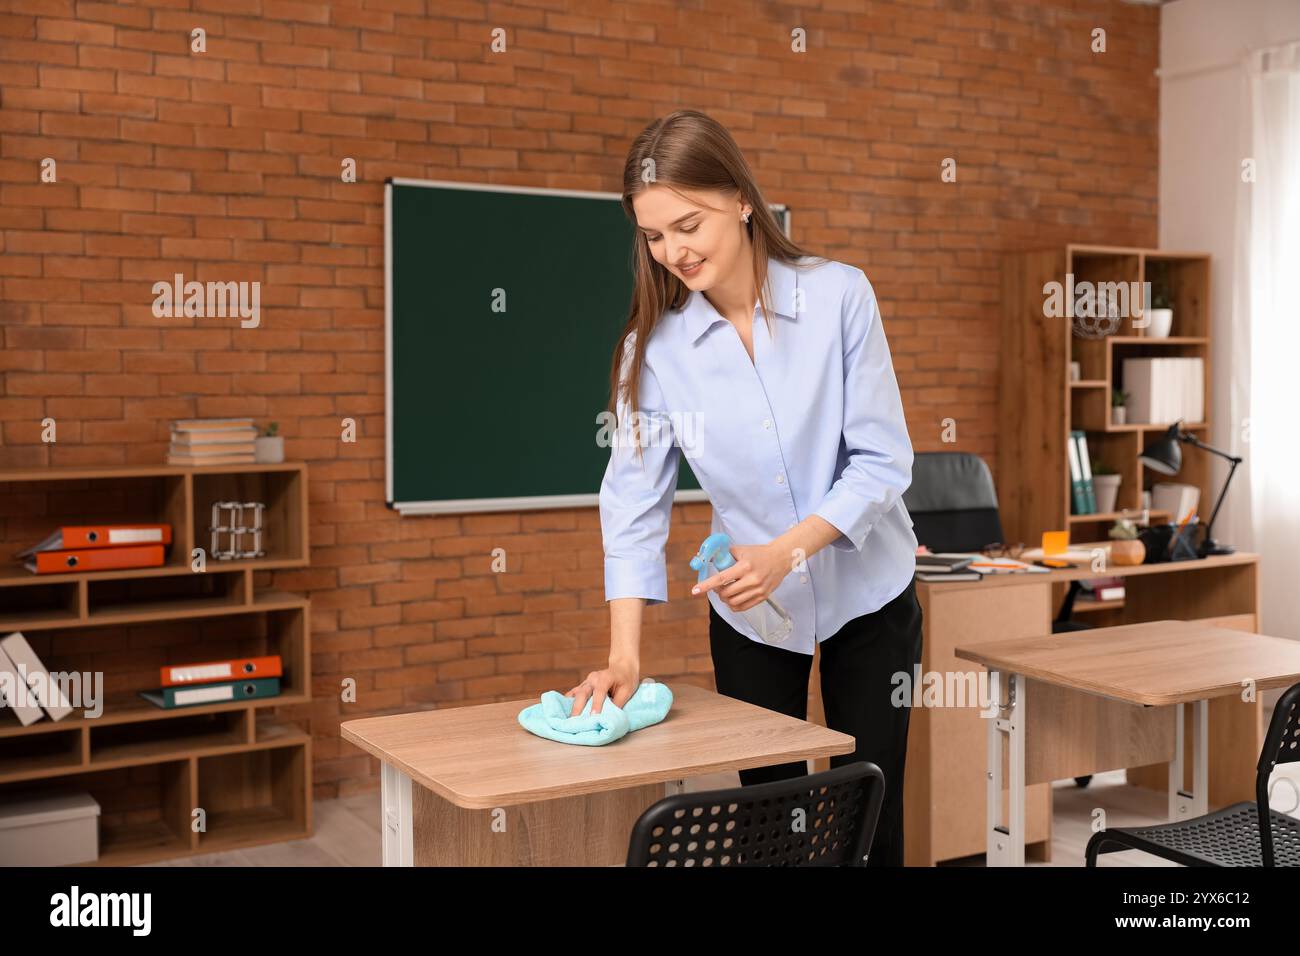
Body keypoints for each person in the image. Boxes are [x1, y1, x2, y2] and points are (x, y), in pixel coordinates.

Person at [567, 109, 922, 866]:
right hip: (753, 615)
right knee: (775, 826)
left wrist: (787, 553)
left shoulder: (838, 298)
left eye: (687, 224)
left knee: (871, 811)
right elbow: (632, 504)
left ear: (740, 198)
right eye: (654, 236)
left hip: (870, 594)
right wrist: (624, 656)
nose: (673, 252)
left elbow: (883, 462)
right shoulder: (654, 350)